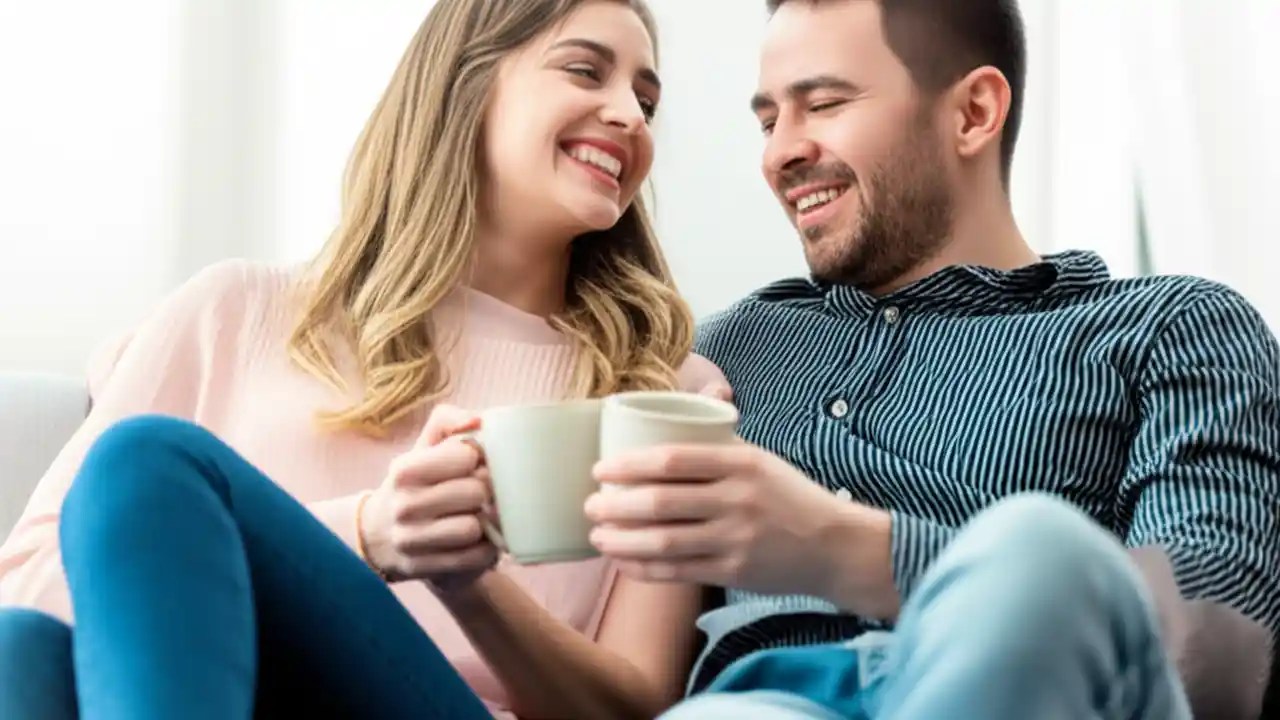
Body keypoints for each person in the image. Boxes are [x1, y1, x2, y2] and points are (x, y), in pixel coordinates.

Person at [0, 1, 730, 718]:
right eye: (584, 71)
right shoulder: (232, 313)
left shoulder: (664, 392)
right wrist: (370, 532)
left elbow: (636, 703)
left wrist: (468, 583)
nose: (631, 117)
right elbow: (26, 583)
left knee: (147, 461)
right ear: (464, 84)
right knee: (21, 647)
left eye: (645, 100)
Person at [583, 1, 1280, 718]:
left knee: (1042, 548)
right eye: (768, 122)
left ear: (974, 112)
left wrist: (843, 548)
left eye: (822, 104)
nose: (778, 154)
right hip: (759, 706)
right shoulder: (722, 354)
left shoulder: (1172, 326)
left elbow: (1213, 651)